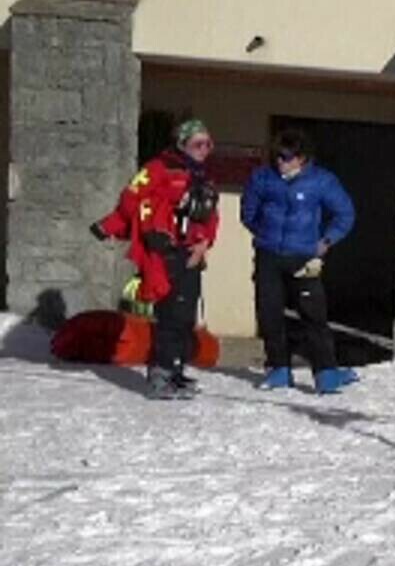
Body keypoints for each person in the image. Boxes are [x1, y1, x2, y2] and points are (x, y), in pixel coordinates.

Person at [91, 119, 220, 400]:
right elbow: (131, 198)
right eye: (198, 143)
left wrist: (203, 244)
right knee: (170, 315)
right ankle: (160, 373)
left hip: (192, 252)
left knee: (186, 316)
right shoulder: (159, 168)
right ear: (182, 144)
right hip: (164, 252)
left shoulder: (202, 176)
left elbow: (210, 217)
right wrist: (151, 227)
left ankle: (175, 369)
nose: (204, 149)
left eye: (208, 144)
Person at [240, 129, 359, 394]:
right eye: (277, 156)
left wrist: (326, 241)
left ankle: (326, 372)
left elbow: (344, 213)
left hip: (304, 256)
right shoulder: (263, 178)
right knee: (269, 312)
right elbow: (248, 211)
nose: (281, 162)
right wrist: (263, 234)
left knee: (313, 315)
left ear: (302, 158)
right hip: (269, 255)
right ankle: (279, 368)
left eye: (287, 157)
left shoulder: (321, 181)